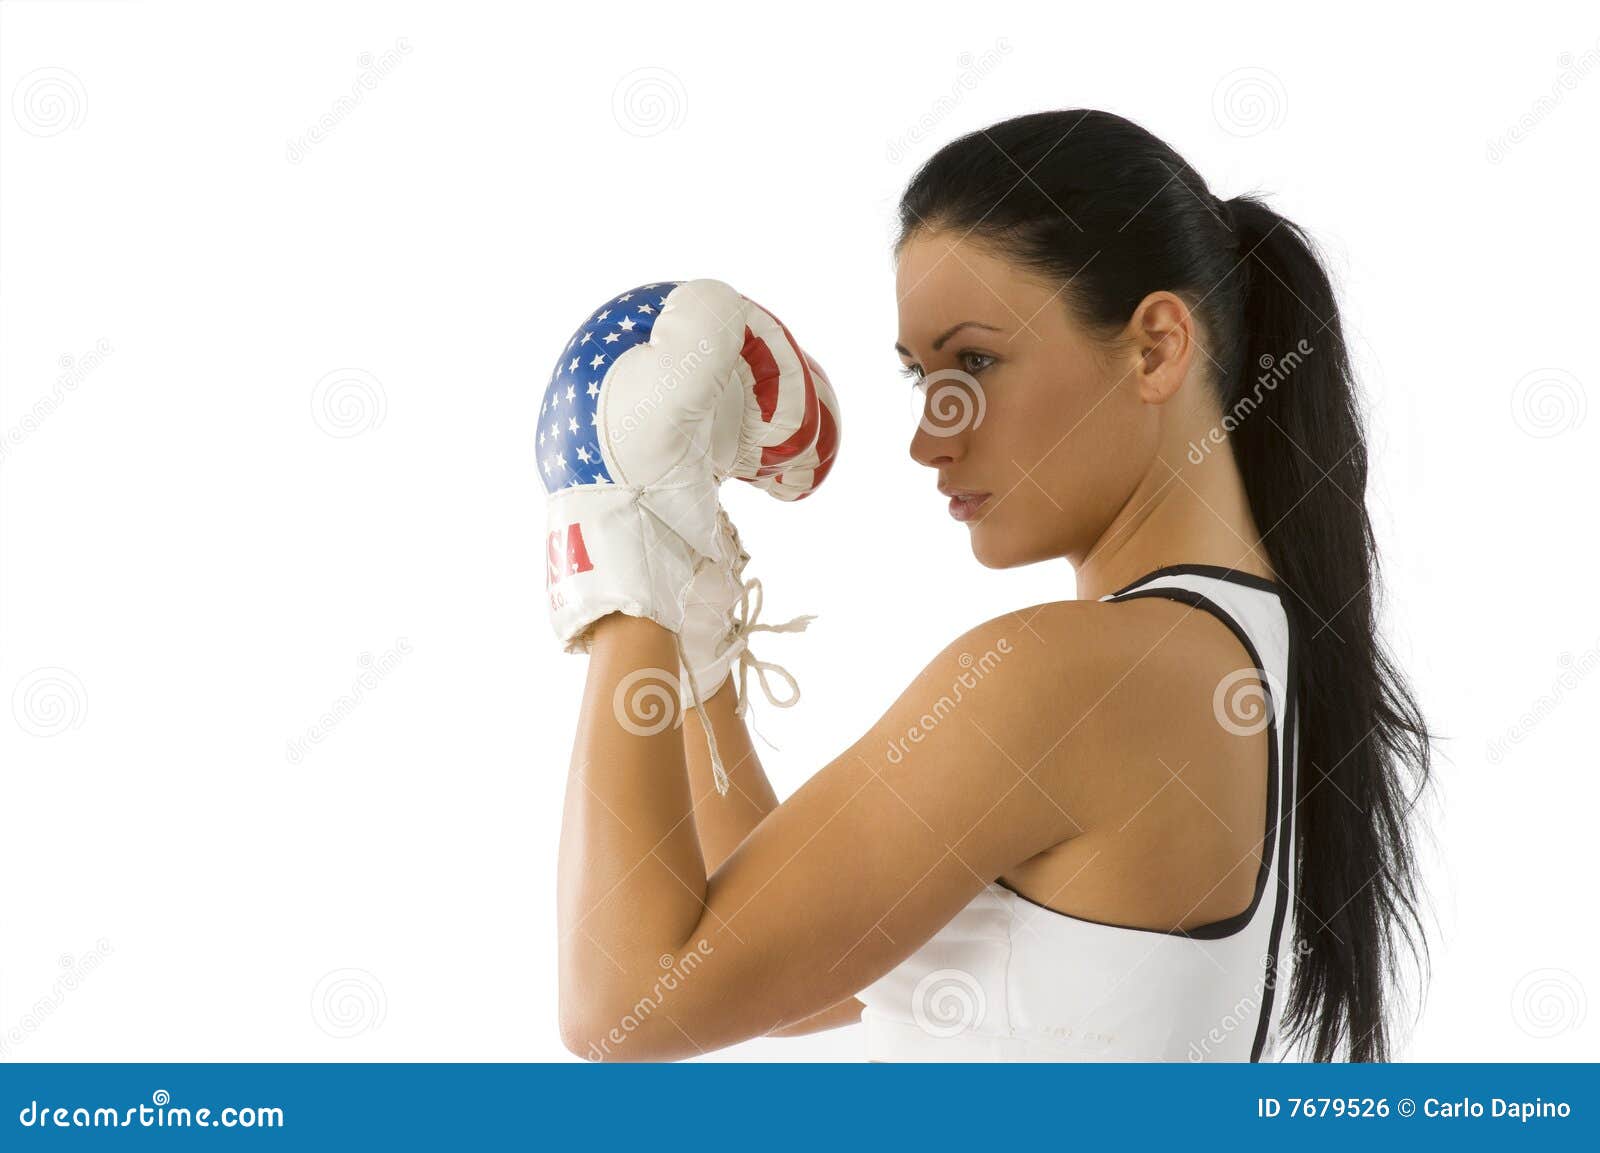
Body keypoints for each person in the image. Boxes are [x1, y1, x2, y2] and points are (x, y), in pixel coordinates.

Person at [550, 108, 1432, 1062]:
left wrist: (624, 547)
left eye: (975, 360)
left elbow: (622, 1004)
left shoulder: (1072, 675)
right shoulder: (1231, 652)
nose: (931, 434)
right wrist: (696, 635)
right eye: (918, 376)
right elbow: (778, 973)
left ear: (1156, 348)